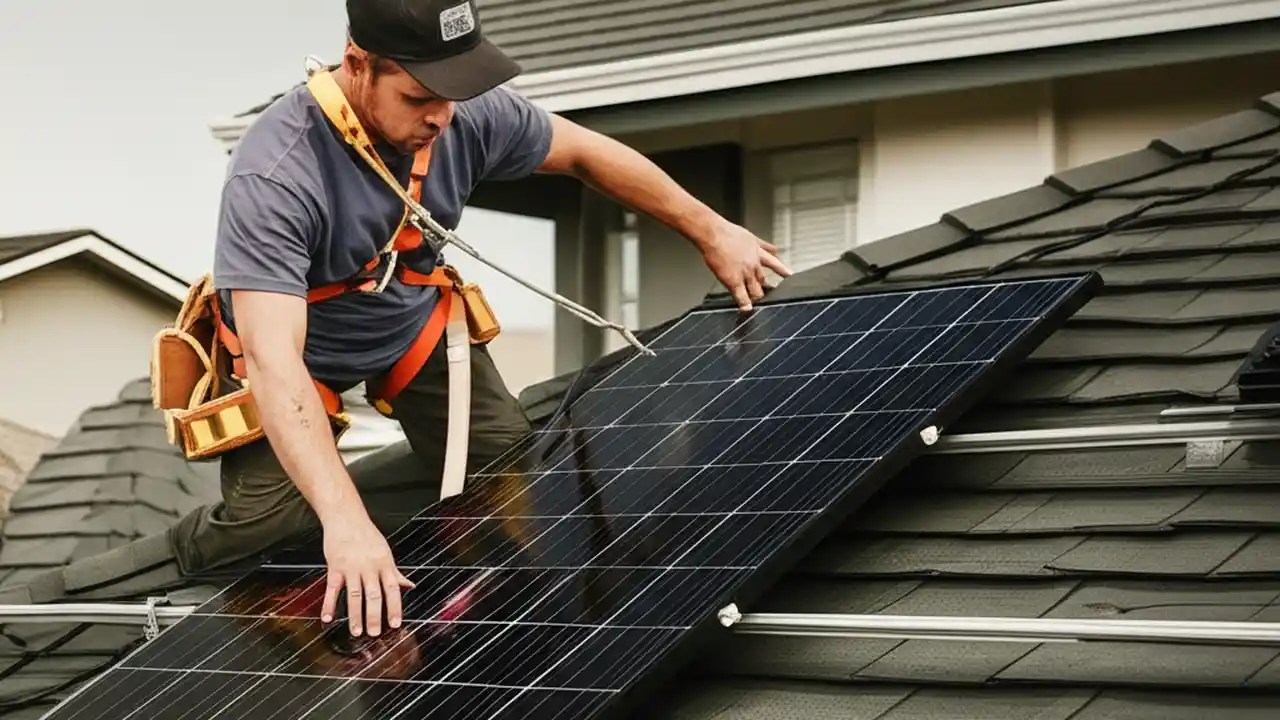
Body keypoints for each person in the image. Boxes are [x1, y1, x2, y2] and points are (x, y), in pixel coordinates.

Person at [56, 0, 792, 639]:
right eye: (419, 96)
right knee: (271, 526)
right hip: (298, 360)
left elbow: (586, 153)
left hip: (412, 327)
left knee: (509, 471)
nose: (441, 115)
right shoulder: (275, 172)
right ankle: (130, 569)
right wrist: (344, 526)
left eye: (453, 93)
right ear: (358, 64)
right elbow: (277, 363)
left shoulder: (459, 113)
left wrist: (711, 230)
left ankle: (451, 602)